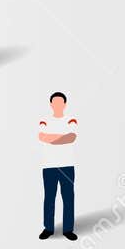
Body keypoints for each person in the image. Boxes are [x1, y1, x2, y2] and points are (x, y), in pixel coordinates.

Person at [39, 92, 79, 239]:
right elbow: (42, 136)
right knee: (49, 197)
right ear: (51, 104)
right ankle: (48, 228)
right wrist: (61, 137)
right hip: (49, 166)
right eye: (54, 103)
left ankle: (68, 229)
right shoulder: (45, 120)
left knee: (68, 197)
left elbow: (71, 137)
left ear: (64, 104)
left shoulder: (71, 120)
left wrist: (52, 139)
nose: (57, 105)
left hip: (67, 165)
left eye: (60, 103)